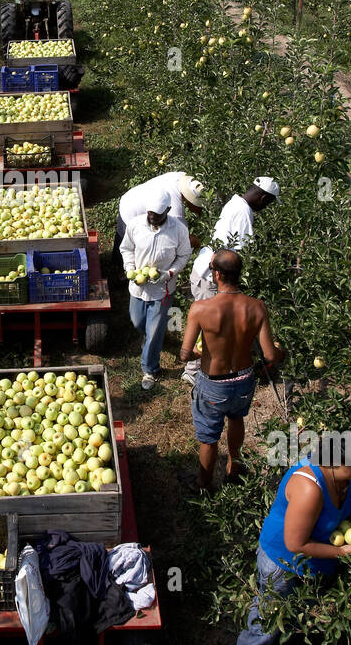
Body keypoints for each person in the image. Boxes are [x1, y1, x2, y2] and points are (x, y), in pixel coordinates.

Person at [235, 432, 351, 645]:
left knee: (299, 603)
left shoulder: (340, 471)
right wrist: (341, 552)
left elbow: (338, 502)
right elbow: (295, 543)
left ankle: (288, 637)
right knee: (270, 608)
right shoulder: (309, 487)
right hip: (282, 560)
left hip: (314, 556)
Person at [179, 248, 285, 489]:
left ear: (216, 275)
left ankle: (203, 483)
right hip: (244, 379)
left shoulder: (201, 309)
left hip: (214, 384)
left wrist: (197, 352)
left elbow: (185, 354)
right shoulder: (257, 307)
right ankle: (233, 469)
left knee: (208, 437)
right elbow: (270, 354)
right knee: (237, 419)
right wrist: (282, 352)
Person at [182, 176, 280, 385]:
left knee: (209, 323)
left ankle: (202, 367)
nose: (267, 207)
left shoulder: (235, 202)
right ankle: (193, 372)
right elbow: (241, 255)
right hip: (212, 277)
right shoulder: (244, 214)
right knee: (209, 325)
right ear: (263, 198)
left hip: (207, 272)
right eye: (269, 203)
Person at [120, 207, 192, 391]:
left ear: (167, 210)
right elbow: (126, 248)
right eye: (150, 214)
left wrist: (169, 273)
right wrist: (130, 268)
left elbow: (184, 255)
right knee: (138, 322)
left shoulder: (178, 229)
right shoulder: (135, 225)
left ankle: (150, 369)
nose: (152, 218)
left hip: (163, 289)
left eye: (157, 215)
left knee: (154, 331)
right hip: (138, 286)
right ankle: (151, 340)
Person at [113, 172, 204, 269]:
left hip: (131, 198)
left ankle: (116, 268)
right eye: (195, 203)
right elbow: (183, 238)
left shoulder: (185, 179)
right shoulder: (173, 203)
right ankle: (120, 275)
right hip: (131, 211)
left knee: (121, 247)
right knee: (130, 256)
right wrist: (201, 243)